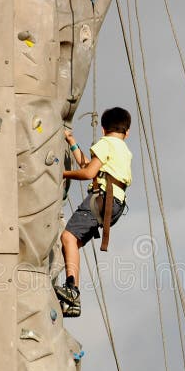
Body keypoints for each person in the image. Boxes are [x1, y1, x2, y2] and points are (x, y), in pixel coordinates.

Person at [55, 106, 133, 317]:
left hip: (101, 200)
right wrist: (72, 143)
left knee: (67, 236)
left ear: (103, 129)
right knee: (74, 243)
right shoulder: (123, 150)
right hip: (115, 205)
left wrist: (60, 173)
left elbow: (88, 172)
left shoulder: (105, 143)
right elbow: (88, 164)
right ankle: (72, 302)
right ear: (127, 132)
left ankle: (72, 290)